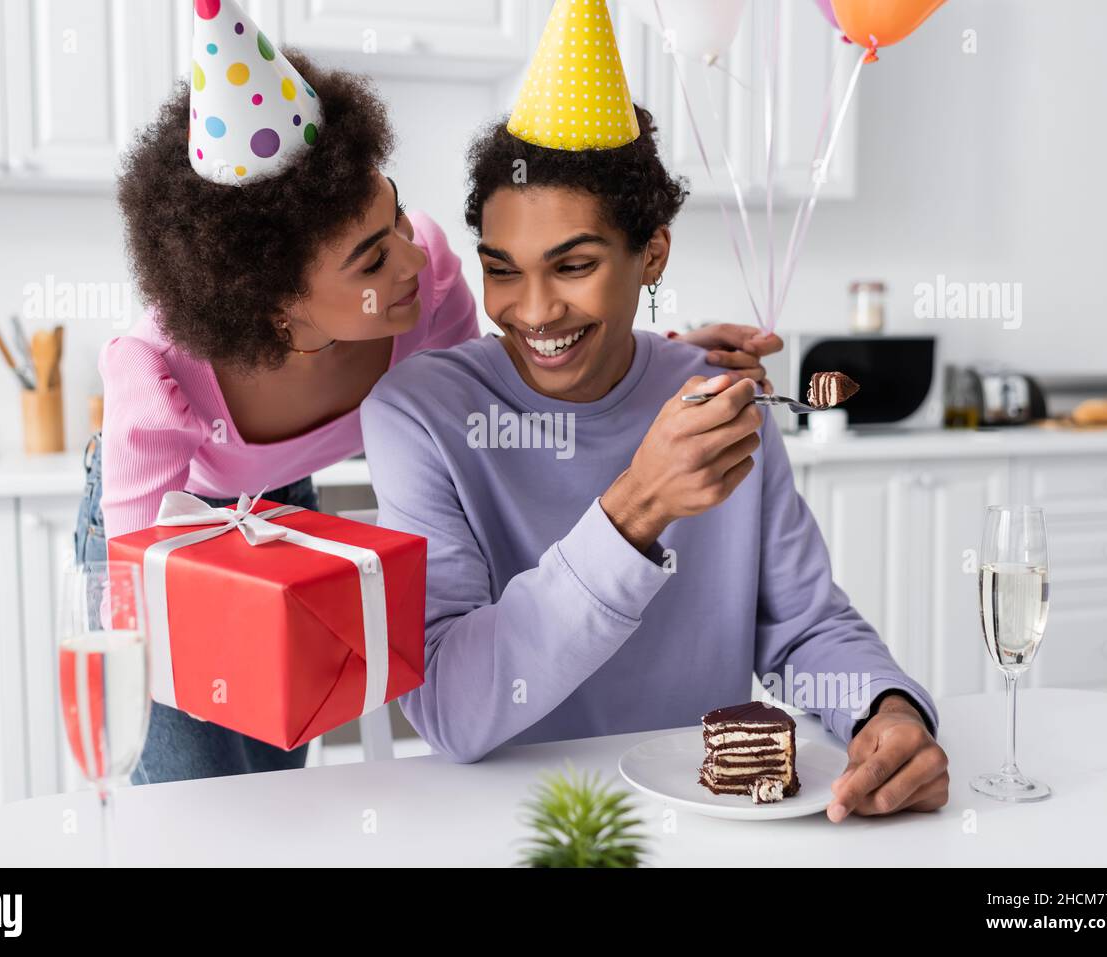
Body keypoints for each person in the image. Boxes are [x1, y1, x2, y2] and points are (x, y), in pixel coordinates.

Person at [74, 0, 774, 786]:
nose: (414, 256)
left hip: (275, 503)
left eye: (396, 212)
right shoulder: (155, 383)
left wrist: (655, 357)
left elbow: (509, 382)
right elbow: (133, 622)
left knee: (276, 774)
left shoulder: (429, 285)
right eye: (372, 260)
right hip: (174, 524)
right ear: (276, 306)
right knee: (192, 782)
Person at [359, 0, 949, 822]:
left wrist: (888, 710)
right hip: (509, 829)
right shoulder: (418, 415)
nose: (532, 310)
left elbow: (804, 625)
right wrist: (639, 505)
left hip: (704, 824)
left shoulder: (717, 397)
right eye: (502, 269)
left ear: (653, 255)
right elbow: (453, 709)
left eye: (573, 265)